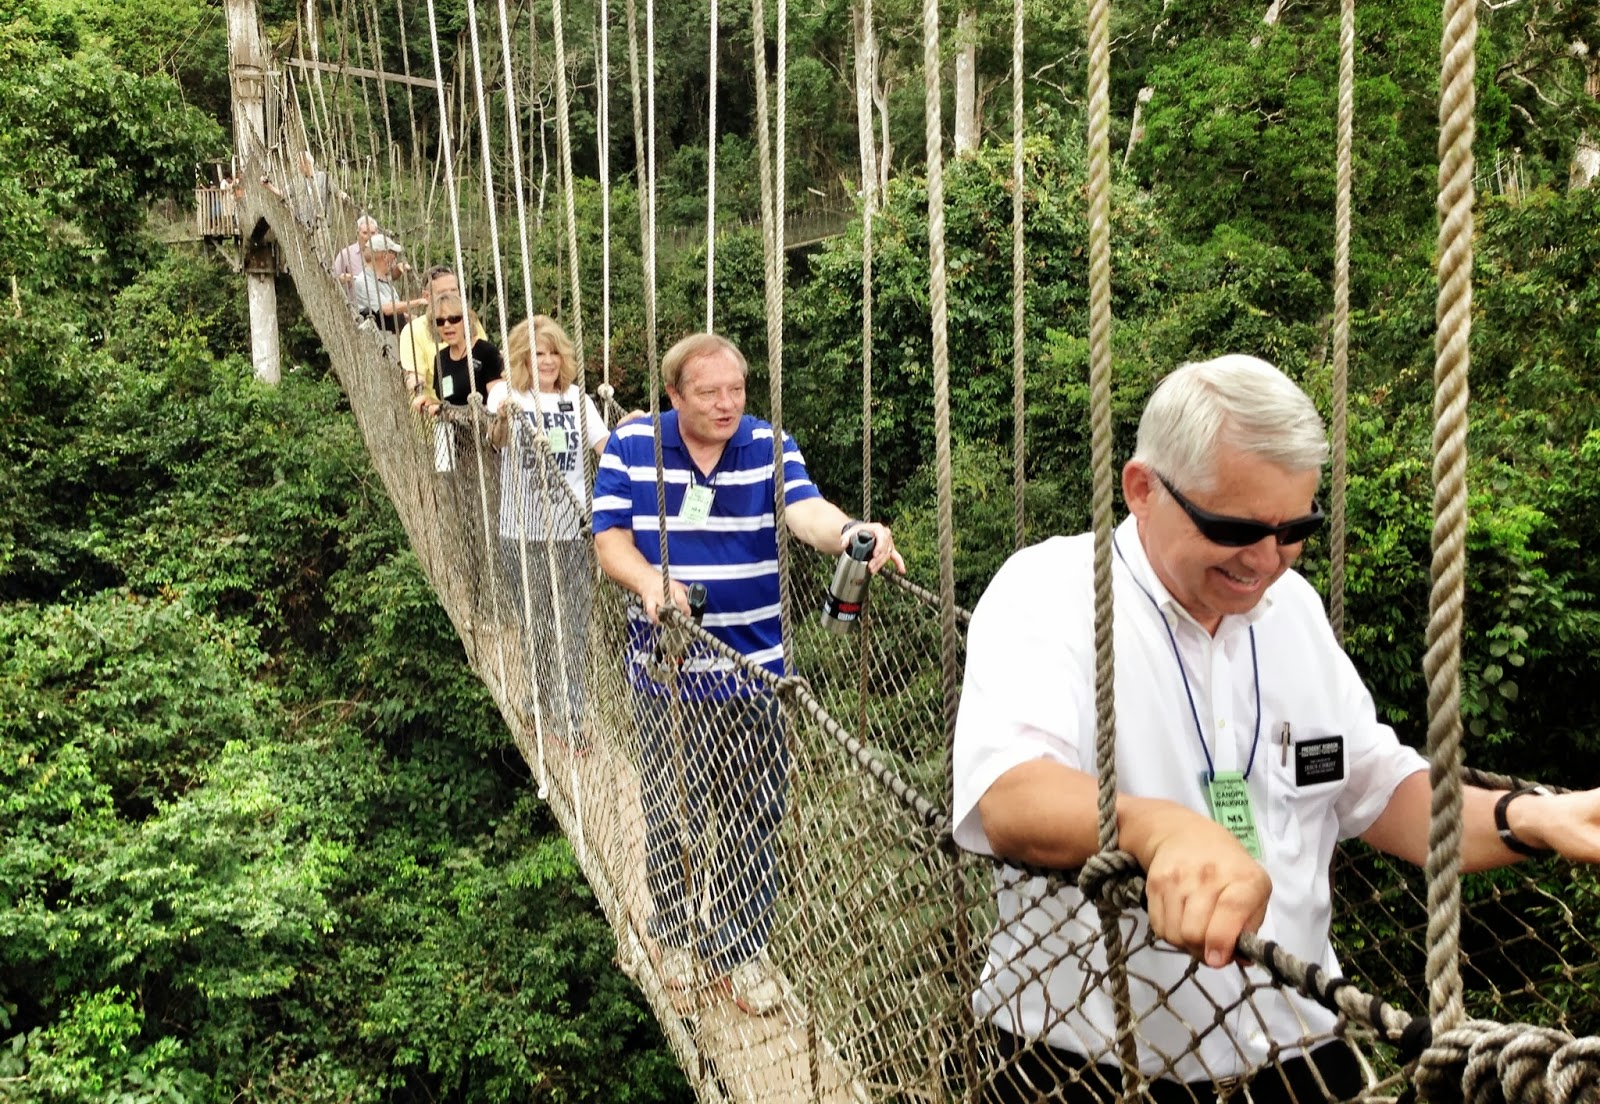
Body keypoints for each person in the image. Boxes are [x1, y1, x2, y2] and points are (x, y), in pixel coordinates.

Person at [953, 354, 1600, 1103]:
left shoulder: (1291, 608)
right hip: (1087, 1067)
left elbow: (1378, 789)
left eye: (1295, 527)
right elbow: (1008, 795)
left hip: (1297, 1057)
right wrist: (1160, 829)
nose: (1266, 561)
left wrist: (1534, 819)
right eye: (1235, 527)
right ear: (1141, 489)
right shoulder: (1051, 592)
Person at [592, 333, 904, 1017]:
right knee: (674, 812)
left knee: (754, 817)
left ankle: (737, 948)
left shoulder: (766, 442)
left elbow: (804, 512)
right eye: (709, 393)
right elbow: (609, 536)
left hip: (757, 675)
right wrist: (650, 581)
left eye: (735, 389)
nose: (727, 403)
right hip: (667, 672)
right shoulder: (634, 444)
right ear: (674, 395)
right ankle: (674, 932)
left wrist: (855, 529)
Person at [487, 316, 616, 750]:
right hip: (522, 531)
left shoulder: (579, 399)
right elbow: (498, 439)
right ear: (523, 358)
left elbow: (606, 448)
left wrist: (637, 433)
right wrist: (504, 419)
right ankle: (538, 703)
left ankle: (570, 718)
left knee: (573, 626)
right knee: (538, 625)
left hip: (572, 530)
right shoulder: (509, 394)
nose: (547, 361)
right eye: (537, 353)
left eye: (554, 352)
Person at [400, 267, 486, 406]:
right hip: (438, 413)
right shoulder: (413, 330)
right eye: (442, 293)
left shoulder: (470, 321)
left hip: (477, 406)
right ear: (426, 297)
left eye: (454, 290)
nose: (450, 297)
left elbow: (485, 359)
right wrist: (415, 382)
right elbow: (415, 375)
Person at [413, 293, 503, 415]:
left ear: (466, 320)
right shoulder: (440, 358)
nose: (447, 325)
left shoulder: (486, 352)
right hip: (452, 431)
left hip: (483, 430)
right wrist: (430, 402)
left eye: (454, 319)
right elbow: (450, 402)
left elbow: (497, 405)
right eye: (439, 321)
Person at [352, 234, 421, 334]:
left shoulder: (383, 280)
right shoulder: (364, 281)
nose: (395, 259)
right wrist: (419, 302)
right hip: (381, 341)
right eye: (393, 254)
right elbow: (386, 309)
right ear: (385, 256)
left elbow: (394, 312)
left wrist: (417, 319)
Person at [333, 215, 379, 303]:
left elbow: (392, 275)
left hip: (382, 307)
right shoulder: (346, 254)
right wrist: (341, 279)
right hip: (356, 310)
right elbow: (332, 279)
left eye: (372, 233)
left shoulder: (383, 254)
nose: (369, 237)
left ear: (377, 233)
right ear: (358, 233)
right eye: (365, 233)